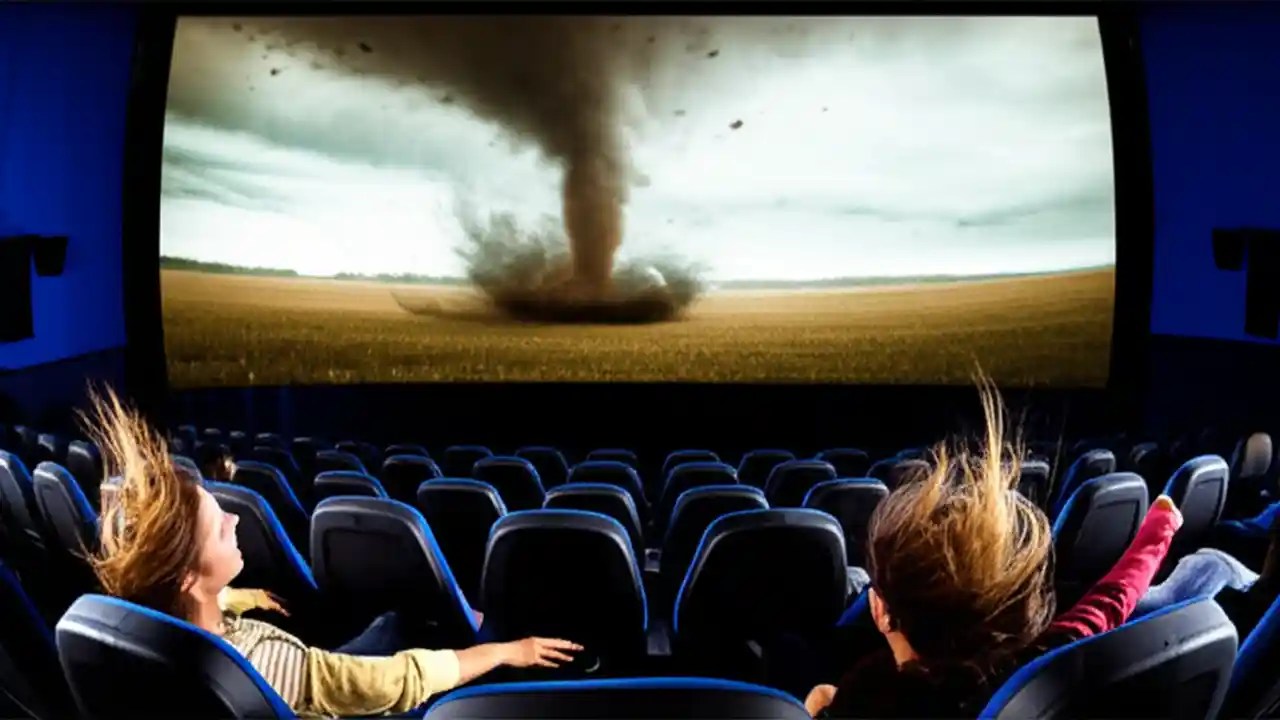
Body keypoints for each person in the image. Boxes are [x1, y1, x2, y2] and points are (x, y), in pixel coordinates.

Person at [82, 386, 581, 717]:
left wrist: (240, 598)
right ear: (189, 577)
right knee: (427, 662)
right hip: (328, 692)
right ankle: (482, 635)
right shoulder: (272, 662)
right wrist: (507, 651)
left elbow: (195, 597)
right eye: (218, 527)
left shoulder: (155, 626)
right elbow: (397, 680)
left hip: (300, 671)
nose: (234, 520)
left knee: (396, 621)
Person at [805, 382, 1183, 718]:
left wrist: (820, 708)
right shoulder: (1043, 665)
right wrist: (1160, 528)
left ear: (882, 614)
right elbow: (1110, 601)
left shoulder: (869, 695)